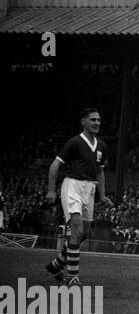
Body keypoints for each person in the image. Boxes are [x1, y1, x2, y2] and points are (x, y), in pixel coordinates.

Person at [45, 107, 113, 286]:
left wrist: (103, 195)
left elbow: (100, 172)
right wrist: (52, 190)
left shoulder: (102, 146)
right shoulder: (74, 142)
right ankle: (72, 276)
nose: (96, 123)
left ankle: (57, 263)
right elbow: (54, 165)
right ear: (83, 122)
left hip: (89, 189)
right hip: (73, 185)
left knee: (84, 233)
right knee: (77, 230)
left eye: (98, 120)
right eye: (92, 120)